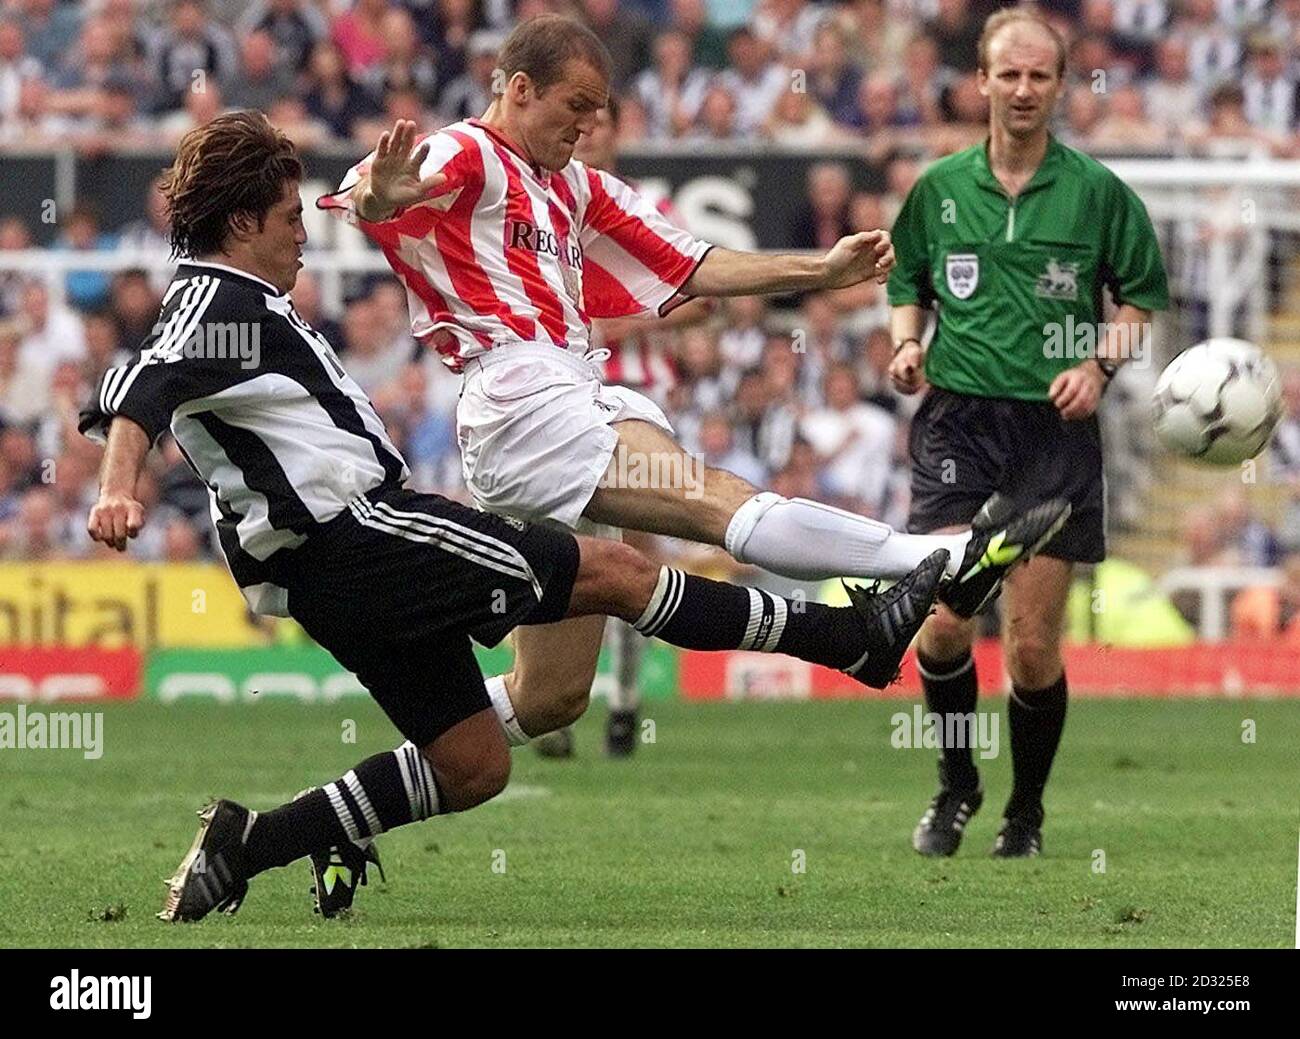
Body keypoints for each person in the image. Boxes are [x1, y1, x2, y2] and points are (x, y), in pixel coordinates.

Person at [80, 111, 951, 923]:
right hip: (363, 536)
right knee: (615, 574)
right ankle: (846, 640)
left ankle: (253, 841)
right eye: (284, 219)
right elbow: (139, 390)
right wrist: (119, 486)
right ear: (240, 227)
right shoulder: (214, 301)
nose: (303, 235)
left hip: (333, 574)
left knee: (473, 764)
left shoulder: (237, 303)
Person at [319, 14, 1070, 800]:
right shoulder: (467, 151)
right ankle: (937, 557)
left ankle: (329, 810)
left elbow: (695, 263)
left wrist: (823, 268)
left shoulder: (575, 186)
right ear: (517, 89)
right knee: (714, 500)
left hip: (570, 398)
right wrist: (381, 198)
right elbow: (376, 190)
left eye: (599, 109)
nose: (589, 124)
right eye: (575, 105)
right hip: (518, 403)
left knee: (552, 696)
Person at [887, 8, 1169, 859]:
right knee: (940, 628)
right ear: (980, 82)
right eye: (1006, 74)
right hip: (958, 427)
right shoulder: (938, 189)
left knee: (1034, 646)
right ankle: (955, 787)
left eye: (1038, 75)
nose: (1021, 89)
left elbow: (1140, 301)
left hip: (1053, 433)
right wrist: (906, 342)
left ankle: (1027, 814)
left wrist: (1099, 366)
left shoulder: (1097, 192)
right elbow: (908, 277)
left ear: (1059, 85)